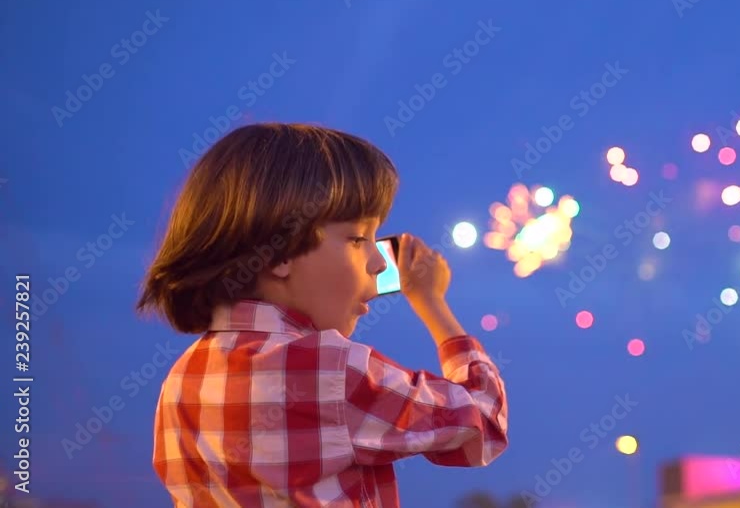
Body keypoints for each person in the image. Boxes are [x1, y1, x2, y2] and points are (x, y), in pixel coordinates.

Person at [136, 123, 509, 507]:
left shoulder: (180, 383)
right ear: (279, 252)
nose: (379, 263)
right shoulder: (332, 370)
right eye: (357, 239)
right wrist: (432, 303)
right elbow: (483, 423)